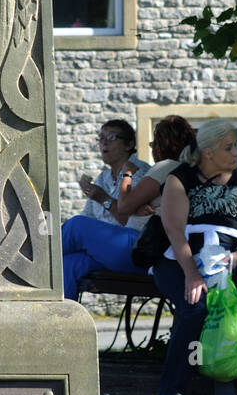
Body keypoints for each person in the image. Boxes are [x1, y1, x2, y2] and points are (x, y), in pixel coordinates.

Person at [152, 119, 237, 395]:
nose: (236, 153)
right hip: (181, 257)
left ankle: (225, 374)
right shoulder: (180, 178)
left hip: (229, 255)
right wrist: (191, 274)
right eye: (229, 147)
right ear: (209, 152)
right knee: (195, 307)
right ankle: (172, 388)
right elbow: (174, 230)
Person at [62, 117, 195, 300]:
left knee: (76, 226)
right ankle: (60, 324)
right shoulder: (103, 178)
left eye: (111, 137)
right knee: (69, 265)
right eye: (100, 138)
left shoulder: (154, 170)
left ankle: (33, 260)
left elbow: (124, 209)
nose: (104, 143)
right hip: (118, 248)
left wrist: (106, 196)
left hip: (139, 248)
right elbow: (93, 217)